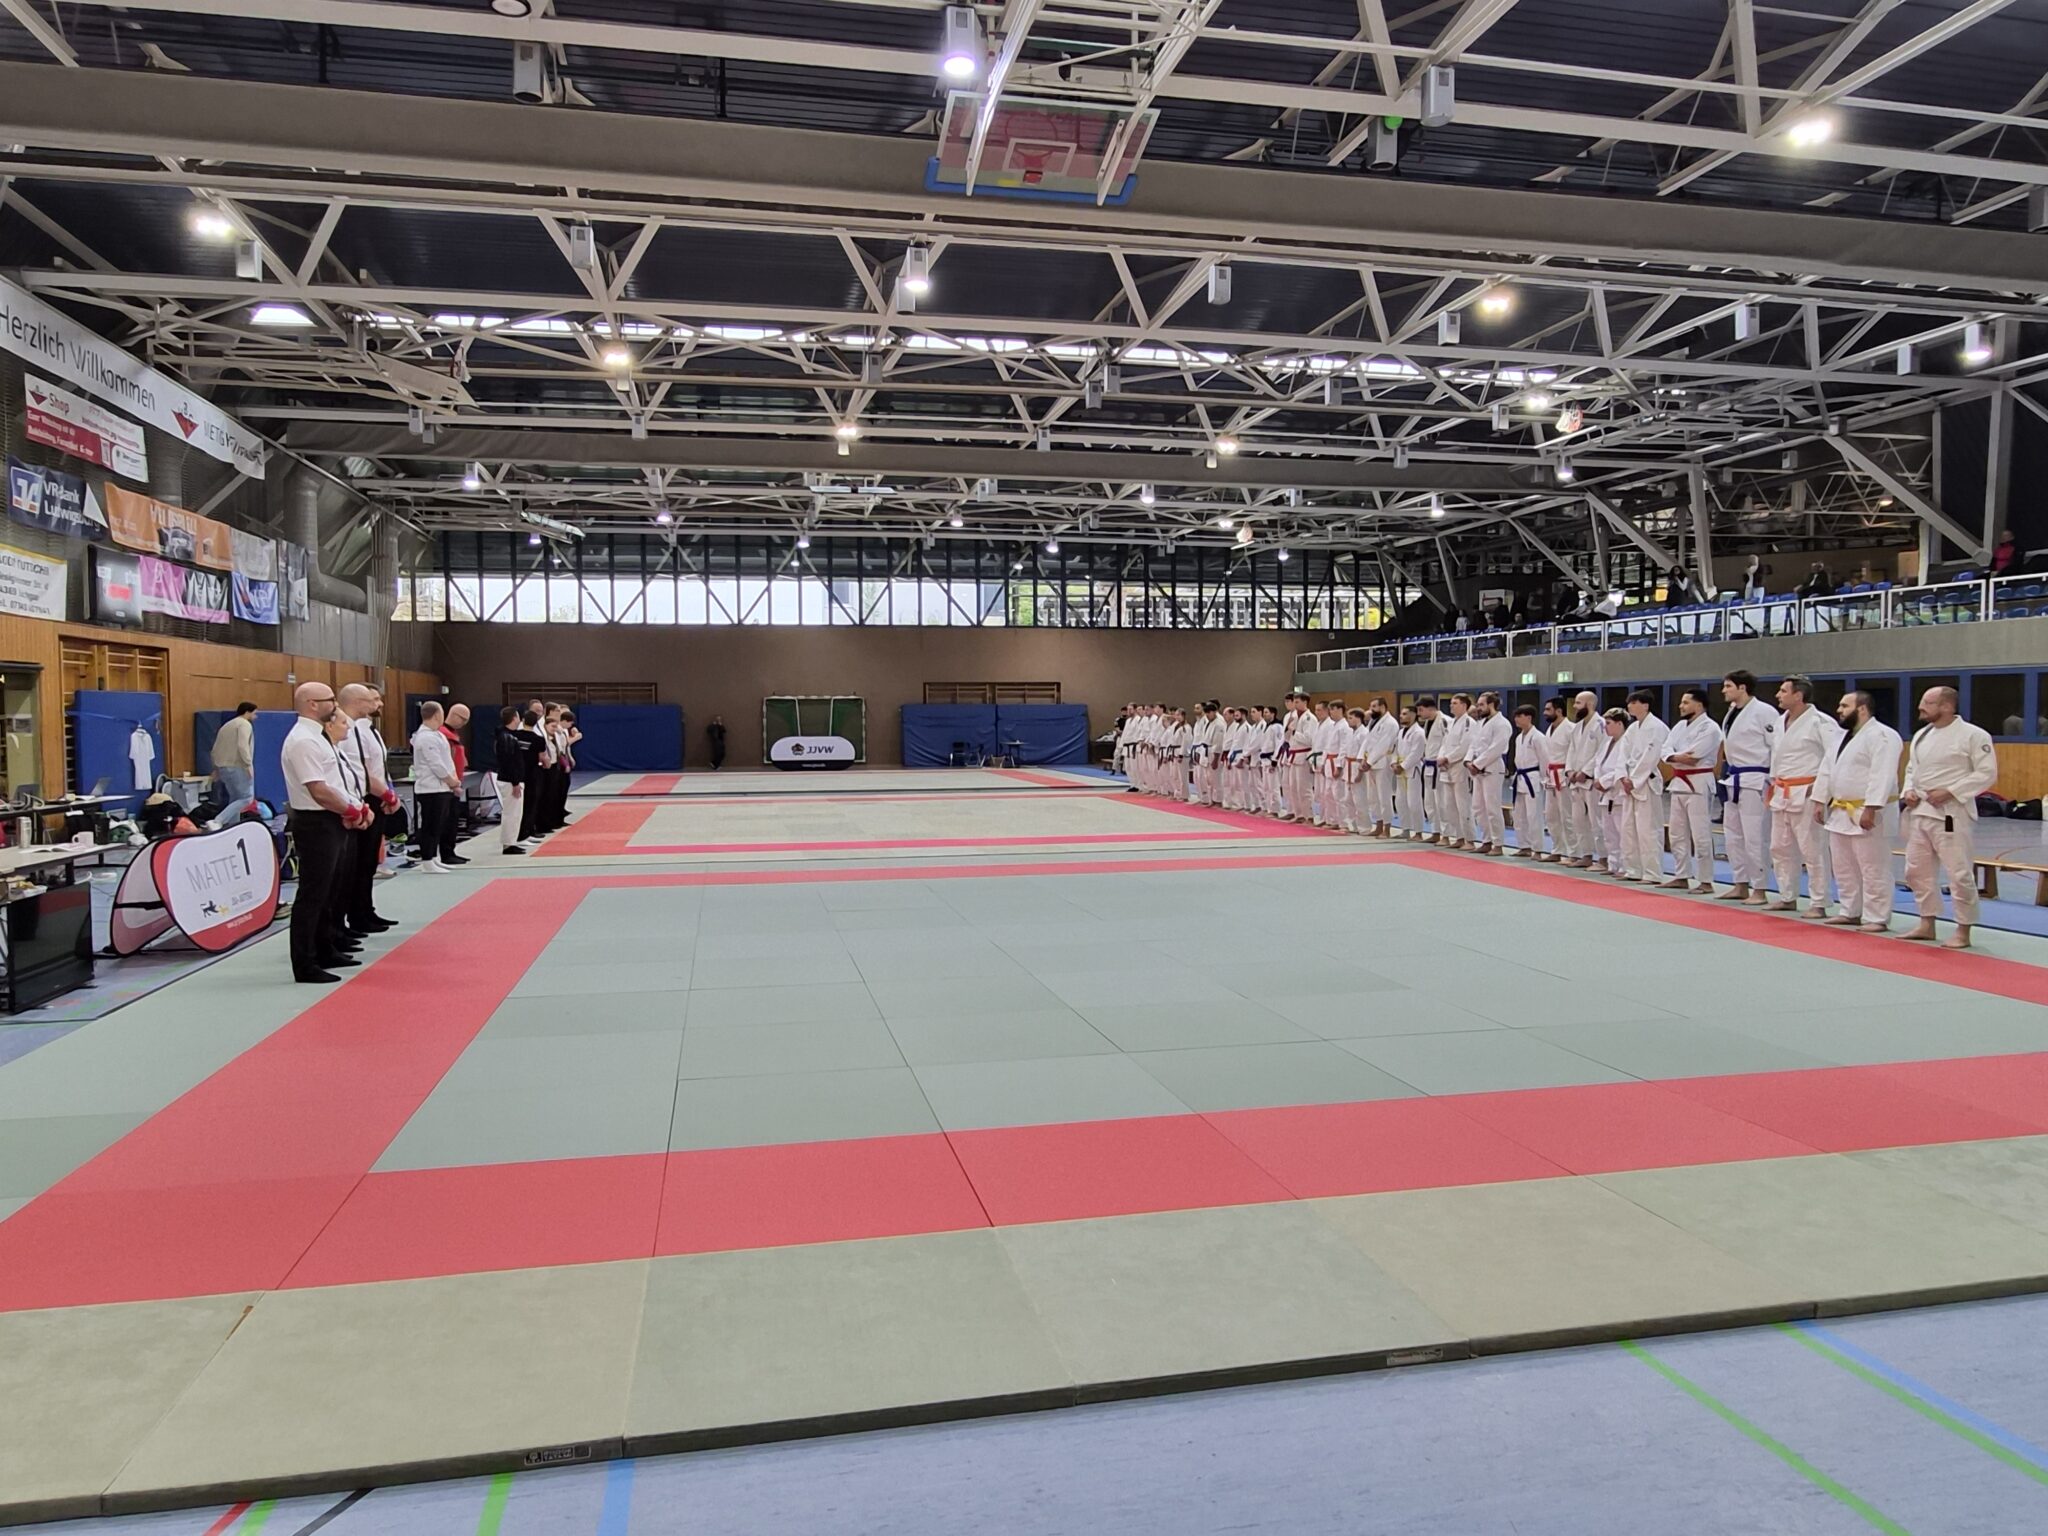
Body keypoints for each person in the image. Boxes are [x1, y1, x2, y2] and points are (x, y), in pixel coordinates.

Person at [281, 682, 371, 984]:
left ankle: (325, 947)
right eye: (330, 699)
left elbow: (337, 782)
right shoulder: (303, 740)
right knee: (313, 893)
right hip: (316, 821)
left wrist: (355, 807)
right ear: (312, 704)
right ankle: (304, 962)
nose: (335, 704)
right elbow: (319, 790)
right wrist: (351, 811)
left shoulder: (319, 738)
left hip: (331, 817)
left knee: (331, 890)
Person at [1900, 686, 1999, 949]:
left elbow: (1986, 773)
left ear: (1946, 706)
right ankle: (1926, 923)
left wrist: (1951, 791)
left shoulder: (1973, 735)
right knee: (1916, 871)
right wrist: (1908, 791)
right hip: (1920, 811)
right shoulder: (1922, 735)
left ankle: (1963, 929)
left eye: (1927, 702)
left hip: (1951, 813)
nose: (1921, 707)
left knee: (1959, 873)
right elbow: (1911, 770)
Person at [1813, 690, 1904, 933]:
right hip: (1840, 810)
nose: (1839, 710)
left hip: (1868, 810)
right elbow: (1826, 770)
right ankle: (1850, 911)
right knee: (1844, 866)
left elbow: (1882, 774)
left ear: (1862, 709)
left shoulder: (1883, 735)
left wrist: (1872, 807)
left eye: (1844, 706)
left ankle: (1877, 917)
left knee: (1873, 867)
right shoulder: (1841, 736)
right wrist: (1819, 800)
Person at [1765, 675, 1839, 917]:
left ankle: (1819, 902)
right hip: (1782, 790)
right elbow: (1776, 757)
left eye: (1783, 691)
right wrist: (1773, 783)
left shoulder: (1821, 722)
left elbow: (1834, 758)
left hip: (1807, 791)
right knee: (1780, 847)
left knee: (1813, 850)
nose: (1778, 695)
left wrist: (1821, 793)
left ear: (1798, 695)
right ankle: (1787, 896)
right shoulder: (1779, 722)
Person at [336, 683, 399, 936]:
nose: (379, 704)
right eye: (373, 699)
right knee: (359, 862)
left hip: (373, 794)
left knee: (369, 860)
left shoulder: (368, 729)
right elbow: (360, 770)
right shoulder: (352, 731)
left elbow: (377, 767)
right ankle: (356, 914)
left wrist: (388, 791)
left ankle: (365, 910)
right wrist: (384, 794)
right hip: (364, 795)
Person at [1718, 670, 1780, 904]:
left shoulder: (1764, 712)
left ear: (1742, 687)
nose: (1724, 690)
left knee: (1755, 836)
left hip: (1756, 779)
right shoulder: (1732, 711)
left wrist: (1772, 780)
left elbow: (1776, 747)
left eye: (1728, 686)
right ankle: (1740, 884)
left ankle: (1760, 889)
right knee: (1733, 836)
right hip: (1734, 778)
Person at [1661, 687, 1723, 893]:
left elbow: (1694, 757)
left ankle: (1705, 881)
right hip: (1679, 783)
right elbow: (1665, 749)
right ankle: (1681, 875)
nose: (1681, 706)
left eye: (1686, 702)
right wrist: (1675, 757)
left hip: (1699, 783)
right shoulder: (1679, 726)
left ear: (1699, 705)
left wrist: (1674, 757)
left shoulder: (1710, 728)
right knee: (1677, 833)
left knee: (1700, 834)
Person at [1617, 690, 1670, 881]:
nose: (1629, 706)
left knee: (1648, 830)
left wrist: (1635, 779)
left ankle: (1652, 872)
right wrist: (1623, 776)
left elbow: (1652, 756)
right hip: (1629, 782)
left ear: (1645, 705)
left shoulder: (1657, 727)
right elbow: (1622, 754)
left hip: (1647, 781)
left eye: (1633, 703)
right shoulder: (1632, 728)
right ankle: (1633, 869)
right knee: (1628, 829)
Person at [410, 702, 463, 873]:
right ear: (436, 715)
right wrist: (450, 780)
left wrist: (454, 781)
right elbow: (436, 764)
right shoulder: (425, 737)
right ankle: (427, 860)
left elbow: (448, 761)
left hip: (442, 788)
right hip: (430, 789)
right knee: (430, 826)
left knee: (438, 825)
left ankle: (433, 857)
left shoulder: (437, 734)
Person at [1465, 691, 1511, 855]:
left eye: (1481, 705)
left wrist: (1477, 764)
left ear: (1491, 704)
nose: (1478, 708)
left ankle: (1498, 844)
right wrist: (1468, 761)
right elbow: (1473, 744)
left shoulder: (1502, 724)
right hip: (1477, 770)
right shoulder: (1481, 723)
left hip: (1492, 768)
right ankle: (1486, 840)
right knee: (1478, 807)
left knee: (1492, 808)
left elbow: (1496, 748)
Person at [1561, 691, 1603, 868]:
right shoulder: (1577, 727)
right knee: (1578, 820)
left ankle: (1603, 858)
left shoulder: (1601, 725)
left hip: (1591, 780)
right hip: (1575, 780)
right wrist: (1569, 770)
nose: (1575, 706)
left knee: (1596, 820)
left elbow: (1601, 752)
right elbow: (1571, 751)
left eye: (1578, 703)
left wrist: (1585, 771)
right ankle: (1585, 855)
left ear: (1590, 704)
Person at [1507, 704, 1553, 859]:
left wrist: (1545, 779)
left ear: (1529, 717)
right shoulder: (1519, 737)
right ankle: (1524, 846)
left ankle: (1537, 849)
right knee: (1519, 815)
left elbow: (1545, 760)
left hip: (1532, 778)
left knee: (1534, 815)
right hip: (1520, 777)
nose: (1516, 719)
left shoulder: (1538, 737)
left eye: (1520, 716)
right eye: (1516, 716)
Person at [1592, 708, 1630, 876]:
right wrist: (1598, 779)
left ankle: (1625, 866)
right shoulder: (1607, 743)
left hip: (1618, 792)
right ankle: (1613, 864)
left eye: (1608, 723)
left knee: (1622, 831)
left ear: (1620, 724)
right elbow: (1597, 763)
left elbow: (1622, 768)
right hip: (1604, 794)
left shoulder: (1627, 742)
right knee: (1608, 832)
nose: (1605, 727)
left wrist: (1605, 781)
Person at [493, 706, 535, 854]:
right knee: (512, 813)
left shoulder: (508, 736)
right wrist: (515, 782)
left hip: (511, 779)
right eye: (518, 717)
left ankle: (511, 841)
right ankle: (508, 844)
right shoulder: (506, 738)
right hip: (510, 780)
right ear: (514, 718)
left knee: (515, 813)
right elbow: (509, 762)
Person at [1437, 694, 1474, 849]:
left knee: (1463, 805)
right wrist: (1441, 757)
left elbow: (1465, 746)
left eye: (1455, 703)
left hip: (1459, 767)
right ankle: (1459, 837)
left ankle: (1469, 840)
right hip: (1447, 768)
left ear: (1464, 705)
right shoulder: (1450, 723)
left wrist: (1448, 758)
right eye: (1451, 703)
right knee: (1449, 805)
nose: (1451, 705)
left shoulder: (1469, 723)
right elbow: (1444, 744)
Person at [1361, 698, 1400, 838]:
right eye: (1370, 706)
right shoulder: (1373, 721)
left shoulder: (1390, 723)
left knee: (1384, 796)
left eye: (1374, 706)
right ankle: (1378, 824)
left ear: (1383, 706)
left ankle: (1387, 828)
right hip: (1370, 762)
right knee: (1373, 797)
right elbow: (1366, 741)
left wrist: (1369, 761)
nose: (1371, 709)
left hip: (1383, 762)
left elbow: (1384, 744)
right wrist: (1362, 758)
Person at [439, 703, 472, 863]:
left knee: (453, 820)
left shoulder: (453, 734)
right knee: (447, 821)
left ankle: (450, 851)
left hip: (455, 781)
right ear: (454, 715)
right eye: (463, 719)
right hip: (447, 784)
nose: (463, 724)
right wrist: (452, 783)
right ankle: (445, 853)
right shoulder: (443, 734)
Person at [210, 701, 257, 811]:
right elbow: (242, 746)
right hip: (237, 766)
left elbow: (215, 749)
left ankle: (231, 822)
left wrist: (215, 768)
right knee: (246, 798)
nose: (256, 717)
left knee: (235, 799)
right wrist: (248, 765)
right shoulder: (244, 724)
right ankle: (219, 819)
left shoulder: (226, 726)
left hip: (223, 767)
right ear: (247, 712)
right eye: (254, 713)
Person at [1414, 697, 1446, 842]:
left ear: (1431, 708)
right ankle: (1435, 832)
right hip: (1428, 766)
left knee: (1441, 802)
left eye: (1421, 710)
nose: (1419, 713)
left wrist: (1443, 757)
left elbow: (1447, 743)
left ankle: (1446, 834)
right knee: (1429, 802)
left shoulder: (1445, 721)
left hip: (1440, 766)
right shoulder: (1427, 723)